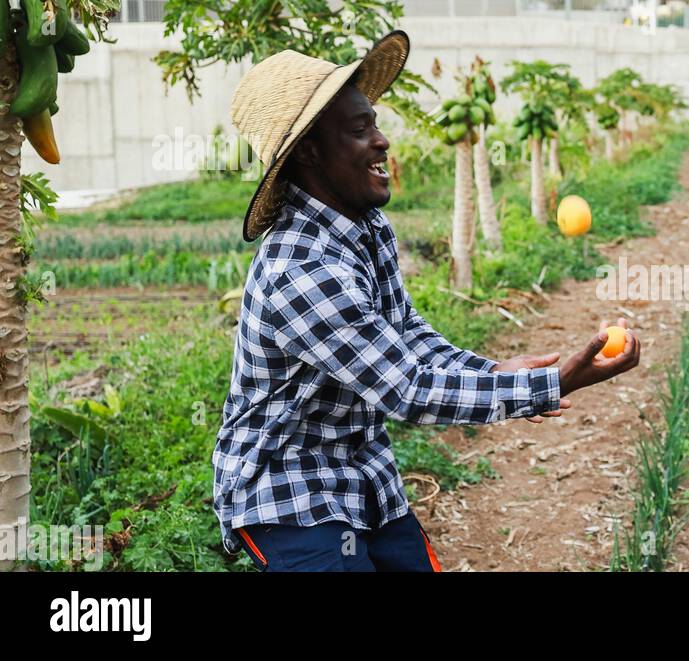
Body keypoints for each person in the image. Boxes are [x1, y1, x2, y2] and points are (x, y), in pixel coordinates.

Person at [214, 31, 640, 572]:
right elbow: (408, 388)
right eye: (359, 129)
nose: (382, 140)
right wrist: (548, 385)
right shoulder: (300, 271)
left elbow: (409, 339)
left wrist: (492, 370)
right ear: (310, 153)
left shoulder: (366, 228)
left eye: (374, 122)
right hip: (288, 489)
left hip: (363, 468)